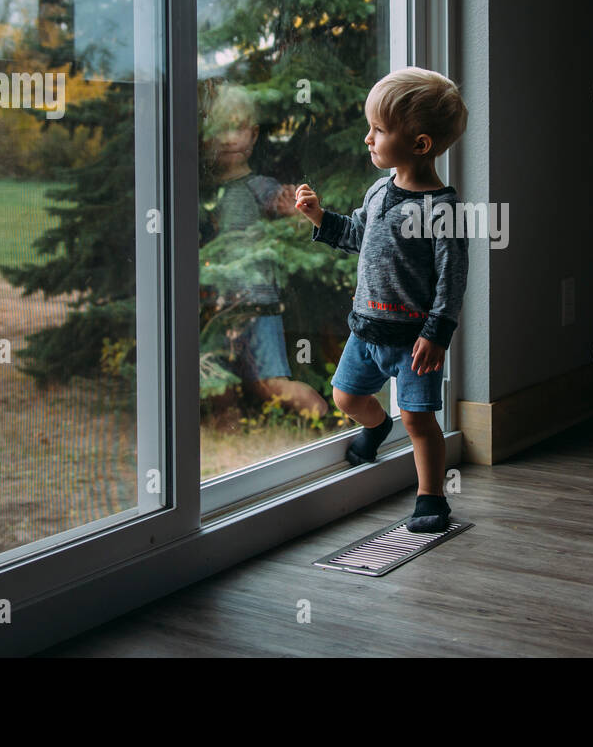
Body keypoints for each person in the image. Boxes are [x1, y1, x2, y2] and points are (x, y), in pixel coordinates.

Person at [294, 67, 470, 532]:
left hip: (415, 342)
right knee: (345, 395)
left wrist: (437, 333)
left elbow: (452, 280)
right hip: (366, 329)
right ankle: (374, 427)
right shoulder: (378, 191)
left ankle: (431, 498)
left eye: (378, 130)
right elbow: (356, 233)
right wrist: (319, 217)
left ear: (420, 144)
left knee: (418, 420)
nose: (367, 138)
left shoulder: (442, 210)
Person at [199, 80, 329, 420]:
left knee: (269, 384)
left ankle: (328, 421)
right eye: (219, 128)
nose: (228, 138)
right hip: (216, 306)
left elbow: (298, 218)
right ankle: (226, 436)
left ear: (253, 135)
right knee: (216, 382)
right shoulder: (204, 191)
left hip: (257, 303)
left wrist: (294, 211)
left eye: (237, 128)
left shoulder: (260, 187)